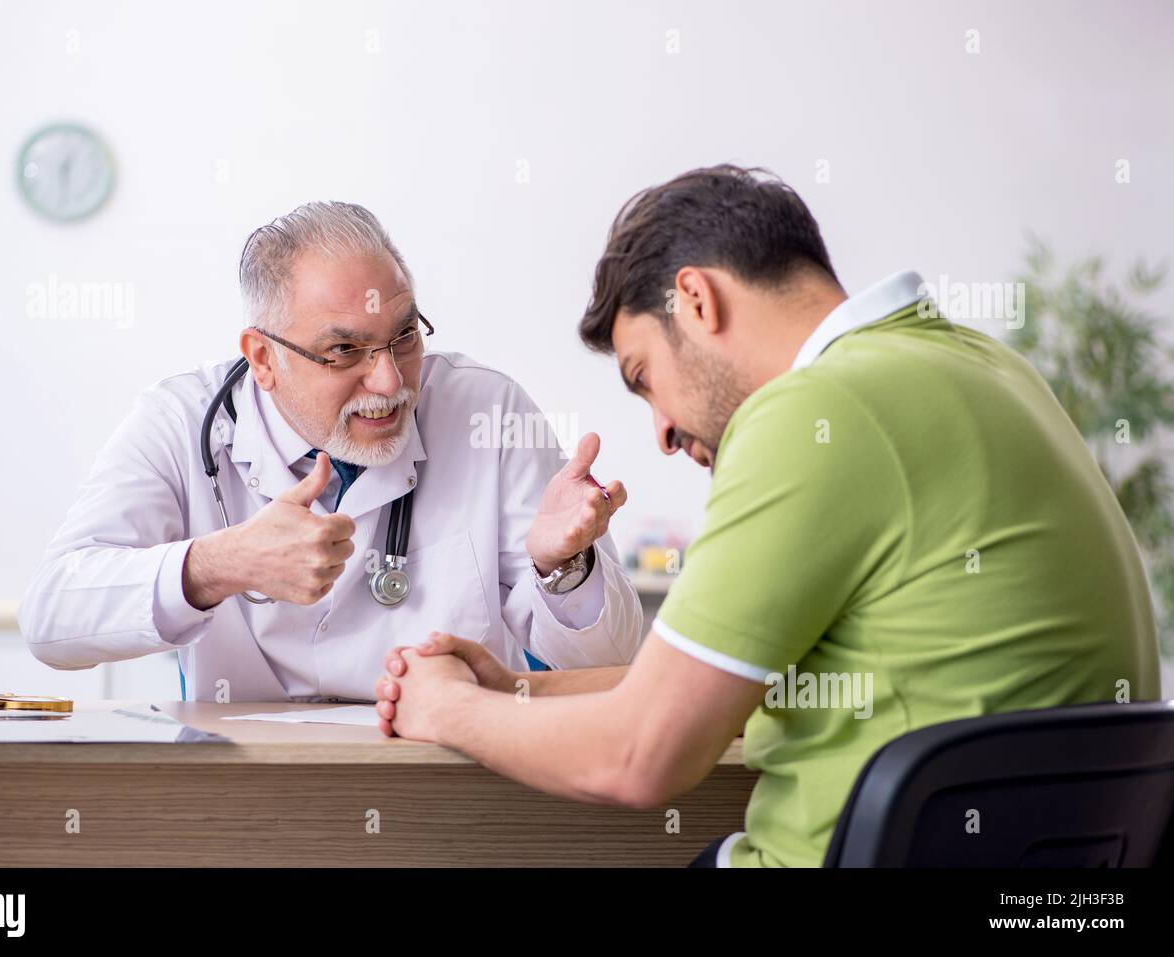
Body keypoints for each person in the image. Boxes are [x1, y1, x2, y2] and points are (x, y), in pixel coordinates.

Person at [372, 165, 1161, 867]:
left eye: (646, 377)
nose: (663, 431)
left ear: (697, 299)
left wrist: (444, 707)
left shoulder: (816, 412)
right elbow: (713, 682)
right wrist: (516, 690)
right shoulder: (985, 365)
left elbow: (642, 755)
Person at [18, 202, 643, 703]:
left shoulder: (487, 413)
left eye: (403, 338)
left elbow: (609, 662)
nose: (390, 383)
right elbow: (51, 620)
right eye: (344, 351)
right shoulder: (179, 423)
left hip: (451, 780)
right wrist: (220, 563)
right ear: (262, 358)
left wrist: (567, 568)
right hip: (252, 792)